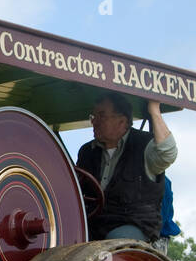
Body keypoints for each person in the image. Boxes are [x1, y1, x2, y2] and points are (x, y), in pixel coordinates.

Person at [75, 93, 177, 241]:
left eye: (101, 116)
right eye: (93, 117)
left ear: (122, 121)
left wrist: (154, 109)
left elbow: (168, 152)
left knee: (115, 242)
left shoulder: (145, 146)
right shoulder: (86, 152)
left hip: (134, 226)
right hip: (94, 226)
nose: (94, 122)